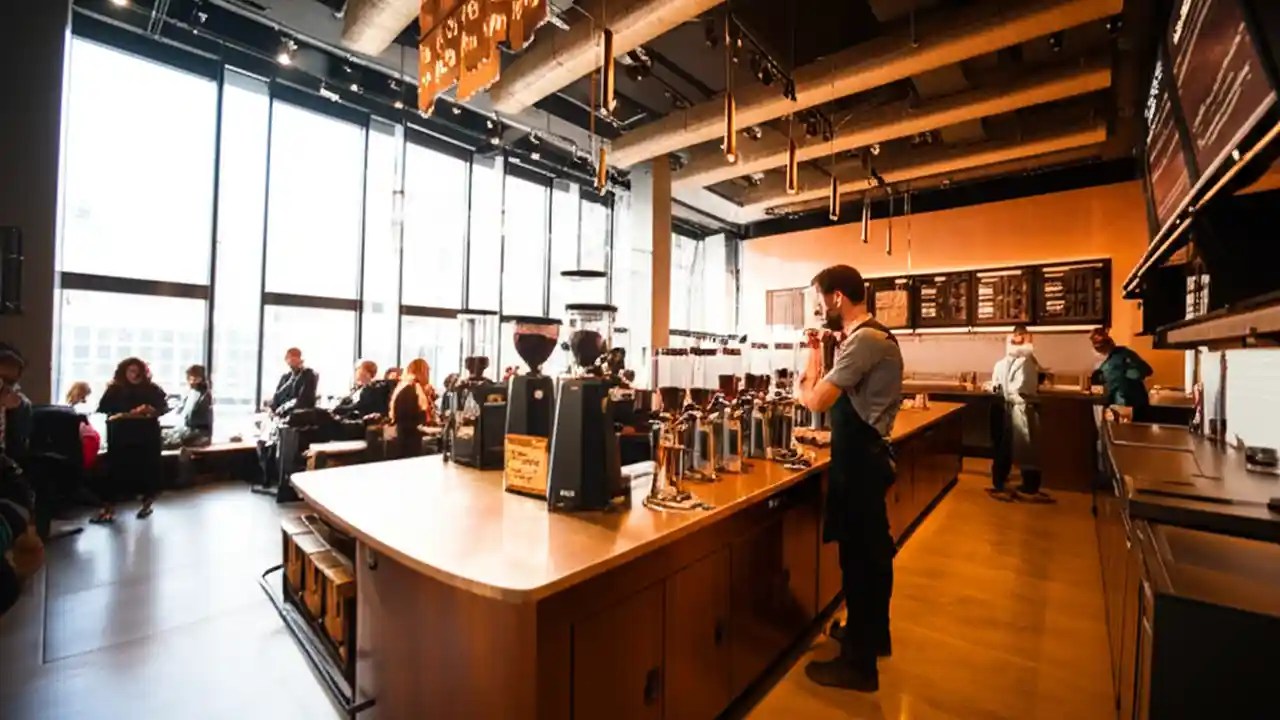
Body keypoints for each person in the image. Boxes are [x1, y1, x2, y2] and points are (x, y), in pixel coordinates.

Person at [796, 264, 903, 692]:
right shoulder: (869, 338)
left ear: (837, 297)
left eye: (821, 298)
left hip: (860, 463)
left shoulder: (866, 341)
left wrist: (811, 355)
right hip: (861, 459)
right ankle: (869, 636)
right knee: (868, 556)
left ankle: (859, 667)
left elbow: (815, 400)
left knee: (861, 561)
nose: (820, 307)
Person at [93, 358, 168, 522]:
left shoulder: (152, 389)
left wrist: (151, 410)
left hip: (146, 436)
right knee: (115, 470)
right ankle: (109, 508)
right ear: (124, 372)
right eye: (131, 371)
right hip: (121, 435)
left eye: (138, 371)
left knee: (147, 470)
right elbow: (105, 408)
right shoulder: (115, 389)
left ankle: (146, 504)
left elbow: (163, 407)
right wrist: (127, 413)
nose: (135, 375)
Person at [989, 324, 1048, 502]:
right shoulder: (1026, 362)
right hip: (1022, 409)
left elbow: (997, 386)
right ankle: (1029, 488)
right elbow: (1027, 387)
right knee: (1027, 449)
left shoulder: (1003, 363)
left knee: (1005, 448)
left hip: (1008, 407)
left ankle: (1000, 484)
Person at [258, 348, 319, 491]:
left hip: (296, 416)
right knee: (264, 441)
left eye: (294, 357)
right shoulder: (285, 378)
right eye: (289, 358)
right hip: (280, 415)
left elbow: (303, 399)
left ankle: (280, 479)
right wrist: (273, 409)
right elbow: (277, 397)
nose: (291, 360)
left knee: (279, 439)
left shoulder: (308, 375)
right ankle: (267, 474)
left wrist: (283, 410)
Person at [1089, 328, 1153, 420]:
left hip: (1125, 407)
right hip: (1139, 404)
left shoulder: (1111, 364)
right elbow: (1148, 371)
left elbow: (1110, 389)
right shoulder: (1125, 352)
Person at [388, 358, 437, 459]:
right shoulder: (411, 389)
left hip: (404, 435)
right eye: (427, 372)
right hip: (409, 440)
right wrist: (425, 426)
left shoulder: (405, 386)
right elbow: (407, 417)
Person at [163, 365, 212, 450]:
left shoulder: (202, 396)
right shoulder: (193, 393)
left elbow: (192, 419)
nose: (189, 381)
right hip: (189, 430)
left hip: (196, 433)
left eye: (191, 378)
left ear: (199, 378)